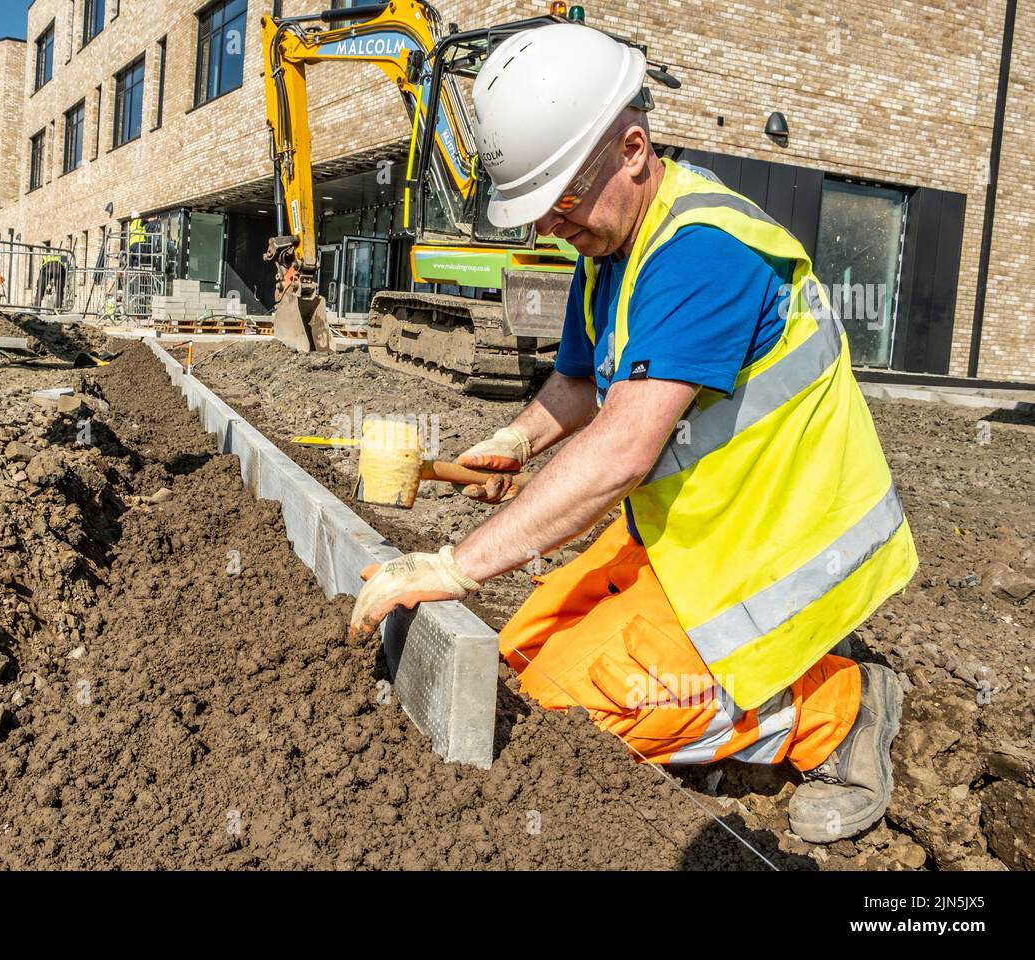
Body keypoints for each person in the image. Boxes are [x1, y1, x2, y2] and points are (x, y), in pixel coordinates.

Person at [349, 22, 917, 843]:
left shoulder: (704, 253)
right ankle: (720, 708)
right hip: (692, 532)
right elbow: (582, 382)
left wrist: (454, 563)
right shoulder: (612, 246)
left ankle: (838, 709)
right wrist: (517, 441)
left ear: (634, 150)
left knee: (576, 710)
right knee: (517, 657)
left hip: (779, 548)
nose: (551, 229)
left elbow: (622, 447)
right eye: (538, 214)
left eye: (561, 205)